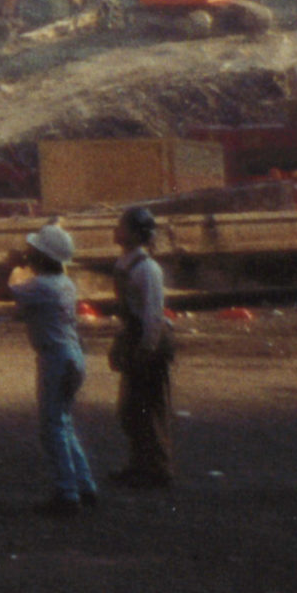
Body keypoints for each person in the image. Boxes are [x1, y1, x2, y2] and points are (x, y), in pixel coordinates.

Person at [0, 221, 98, 515]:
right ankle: (84, 484)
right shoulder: (63, 283)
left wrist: (10, 265)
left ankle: (67, 493)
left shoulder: (41, 285)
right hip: (72, 356)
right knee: (63, 422)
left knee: (52, 427)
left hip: (55, 359)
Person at [109, 205, 176, 487]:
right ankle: (138, 465)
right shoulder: (124, 264)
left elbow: (152, 315)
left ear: (135, 233)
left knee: (150, 409)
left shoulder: (147, 270)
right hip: (134, 339)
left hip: (150, 343)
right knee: (131, 409)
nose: (116, 229)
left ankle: (159, 470)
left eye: (122, 225)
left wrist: (145, 351)